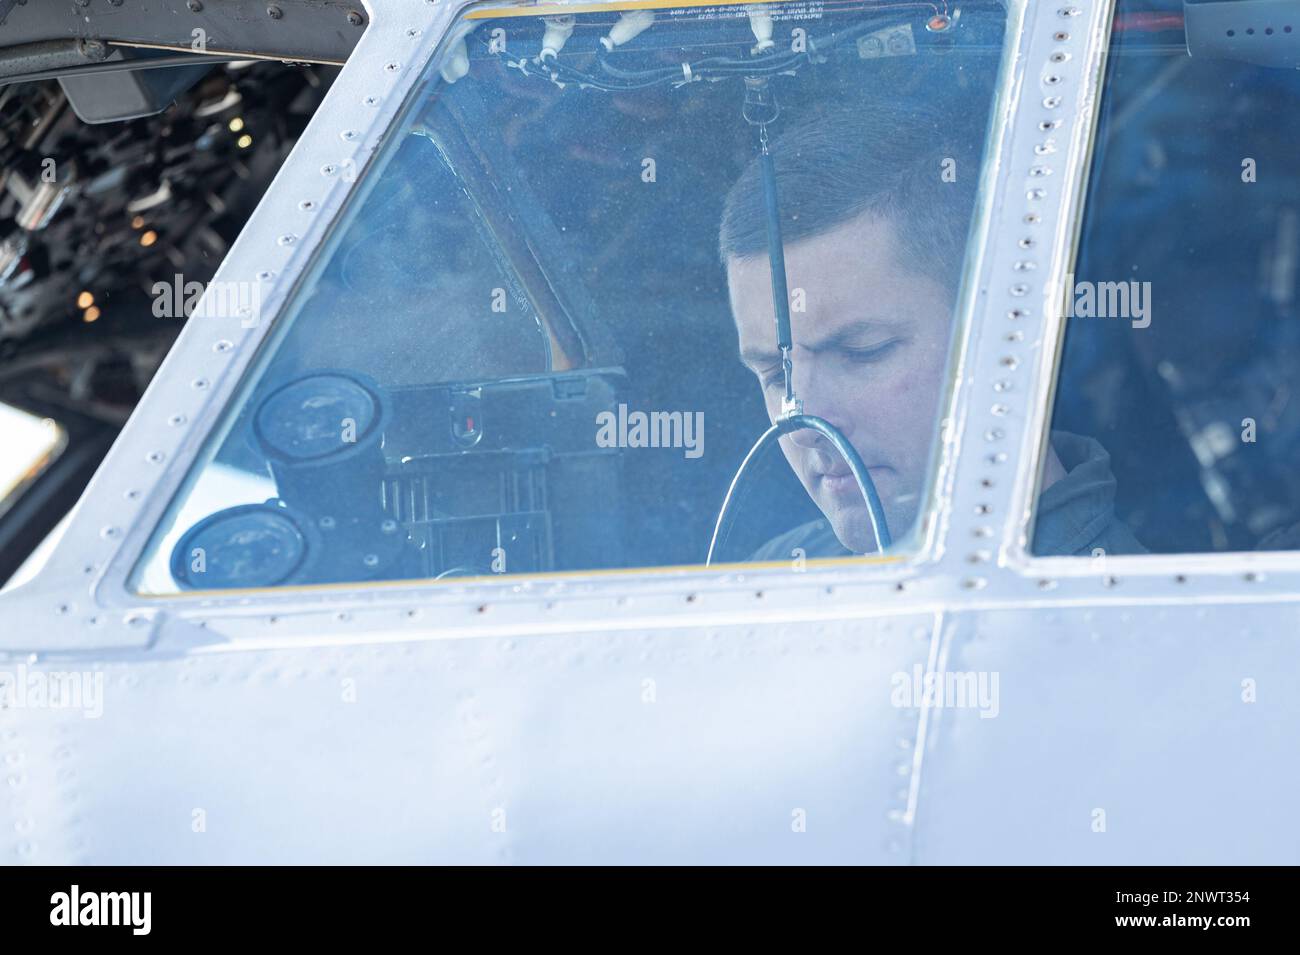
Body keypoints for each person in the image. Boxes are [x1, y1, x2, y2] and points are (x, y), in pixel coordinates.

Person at [718, 103, 1144, 559]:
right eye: (776, 376)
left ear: (1003, 333)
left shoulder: (1133, 616)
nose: (802, 424)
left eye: (864, 351)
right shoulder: (766, 583)